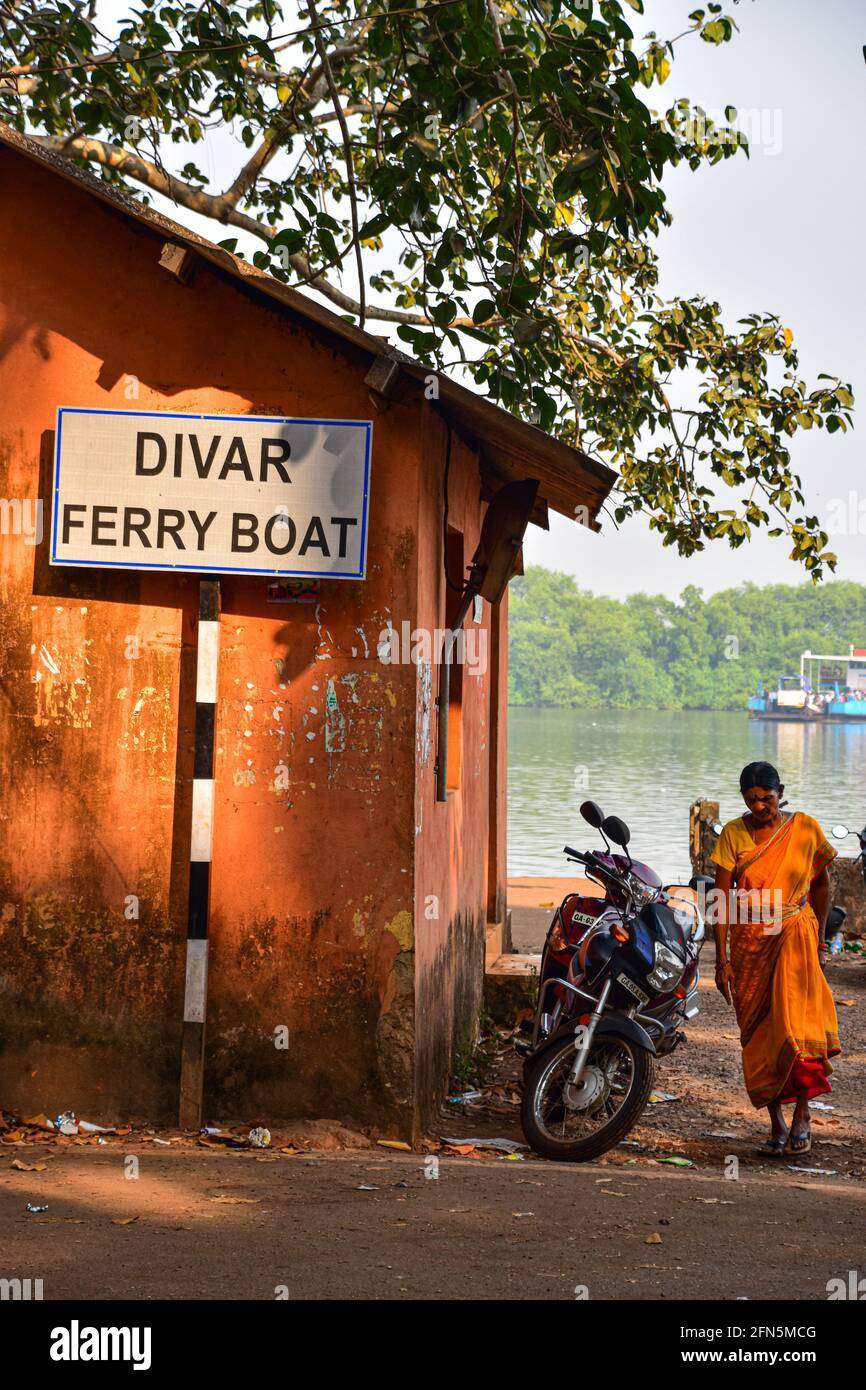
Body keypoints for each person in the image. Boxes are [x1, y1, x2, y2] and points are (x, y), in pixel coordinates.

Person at [711, 761, 840, 1158]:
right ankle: (776, 1122)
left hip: (795, 937)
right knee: (760, 1035)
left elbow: (821, 884)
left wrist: (819, 940)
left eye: (766, 798)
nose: (760, 806)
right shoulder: (733, 833)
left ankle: (802, 1114)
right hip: (750, 944)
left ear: (780, 792)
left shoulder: (804, 829)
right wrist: (722, 961)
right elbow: (721, 901)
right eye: (752, 800)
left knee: (797, 1028)